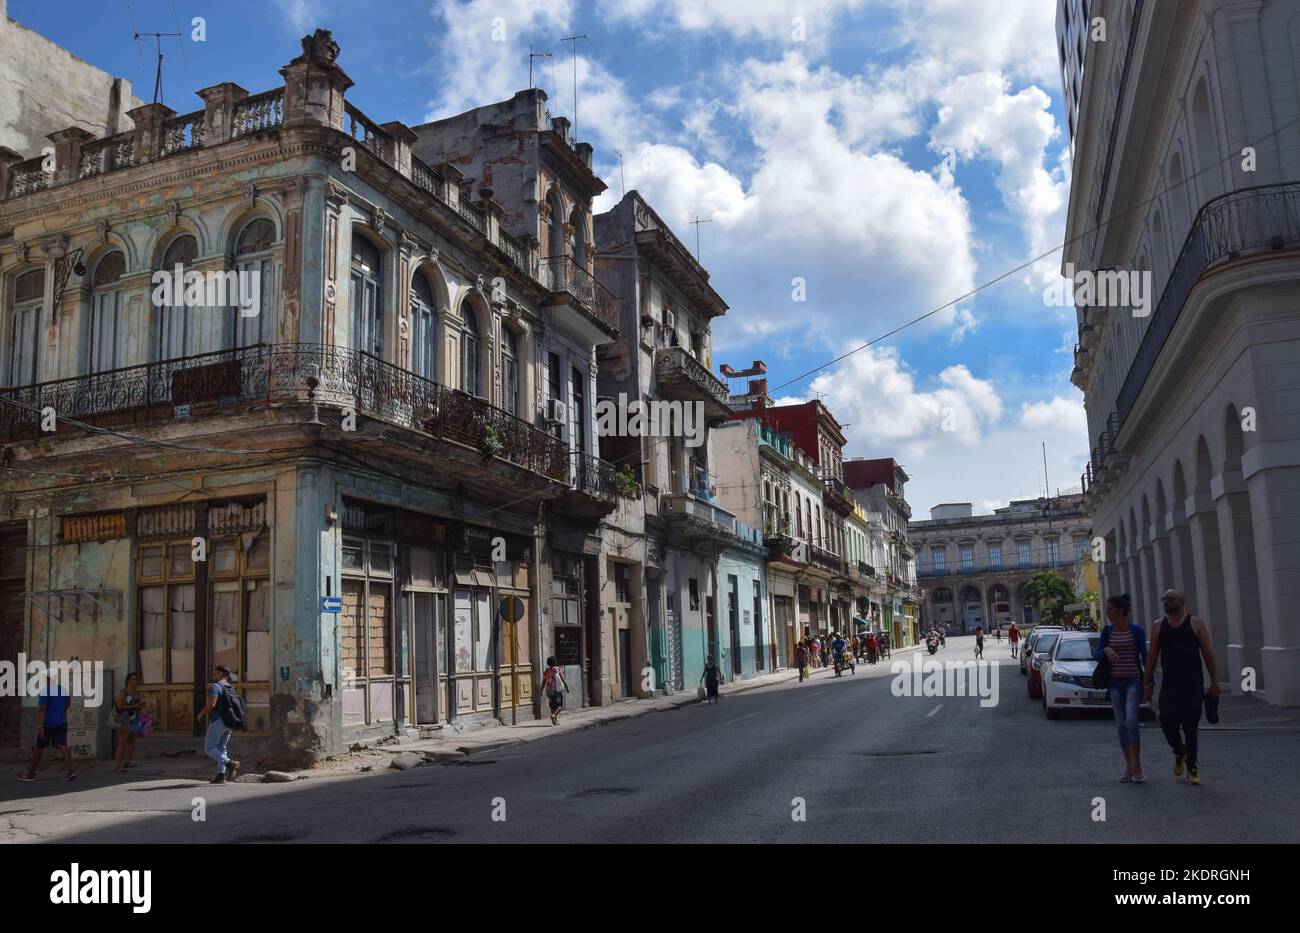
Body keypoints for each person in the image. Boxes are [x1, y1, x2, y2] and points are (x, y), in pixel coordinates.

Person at [1144, 589, 1218, 785]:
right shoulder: (1158, 626)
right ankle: (1179, 751)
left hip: (1193, 684)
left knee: (1191, 726)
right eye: (1164, 600)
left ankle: (1192, 768)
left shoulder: (1196, 624)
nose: (1166, 602)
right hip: (1170, 684)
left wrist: (1215, 682)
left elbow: (1208, 654)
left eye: (1171, 599)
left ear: (1182, 602)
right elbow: (1152, 657)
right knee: (1166, 720)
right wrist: (1147, 682)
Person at [1095, 594, 1147, 783]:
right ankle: (1129, 766)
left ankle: (1137, 765)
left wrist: (1148, 683)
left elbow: (1145, 656)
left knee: (1131, 720)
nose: (1107, 612)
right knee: (1121, 724)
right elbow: (1096, 654)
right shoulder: (1107, 632)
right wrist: (1106, 651)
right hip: (1114, 683)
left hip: (1133, 680)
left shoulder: (1136, 631)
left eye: (1109, 608)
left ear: (1120, 611)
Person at [16, 669, 76, 782]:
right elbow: (68, 704)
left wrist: (39, 726)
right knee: (63, 747)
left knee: (38, 748)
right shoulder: (62, 689)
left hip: (47, 725)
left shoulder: (45, 691)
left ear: (48, 678)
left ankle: (30, 774)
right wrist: (61, 713)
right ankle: (70, 771)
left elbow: (42, 709)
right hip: (61, 723)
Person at [196, 666, 239, 784]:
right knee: (221, 748)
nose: (213, 676)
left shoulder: (215, 687)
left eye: (214, 673)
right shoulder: (230, 688)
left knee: (209, 748)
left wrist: (200, 714)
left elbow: (211, 705)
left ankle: (230, 763)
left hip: (218, 721)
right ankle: (221, 775)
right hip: (229, 721)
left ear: (221, 674)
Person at [113, 672, 147, 772]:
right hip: (125, 720)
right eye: (133, 679)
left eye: (136, 679)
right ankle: (117, 765)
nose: (135, 681)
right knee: (122, 743)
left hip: (134, 719)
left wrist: (141, 707)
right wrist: (133, 706)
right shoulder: (123, 692)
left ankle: (127, 762)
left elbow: (138, 705)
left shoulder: (136, 693)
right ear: (128, 680)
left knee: (132, 742)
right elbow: (119, 707)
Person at [542, 656, 568, 724]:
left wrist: (541, 690)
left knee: (552, 706)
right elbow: (562, 679)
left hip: (549, 691)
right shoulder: (557, 669)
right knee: (559, 705)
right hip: (557, 690)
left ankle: (554, 721)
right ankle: (554, 715)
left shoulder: (546, 671)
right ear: (554, 662)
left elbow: (544, 681)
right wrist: (566, 687)